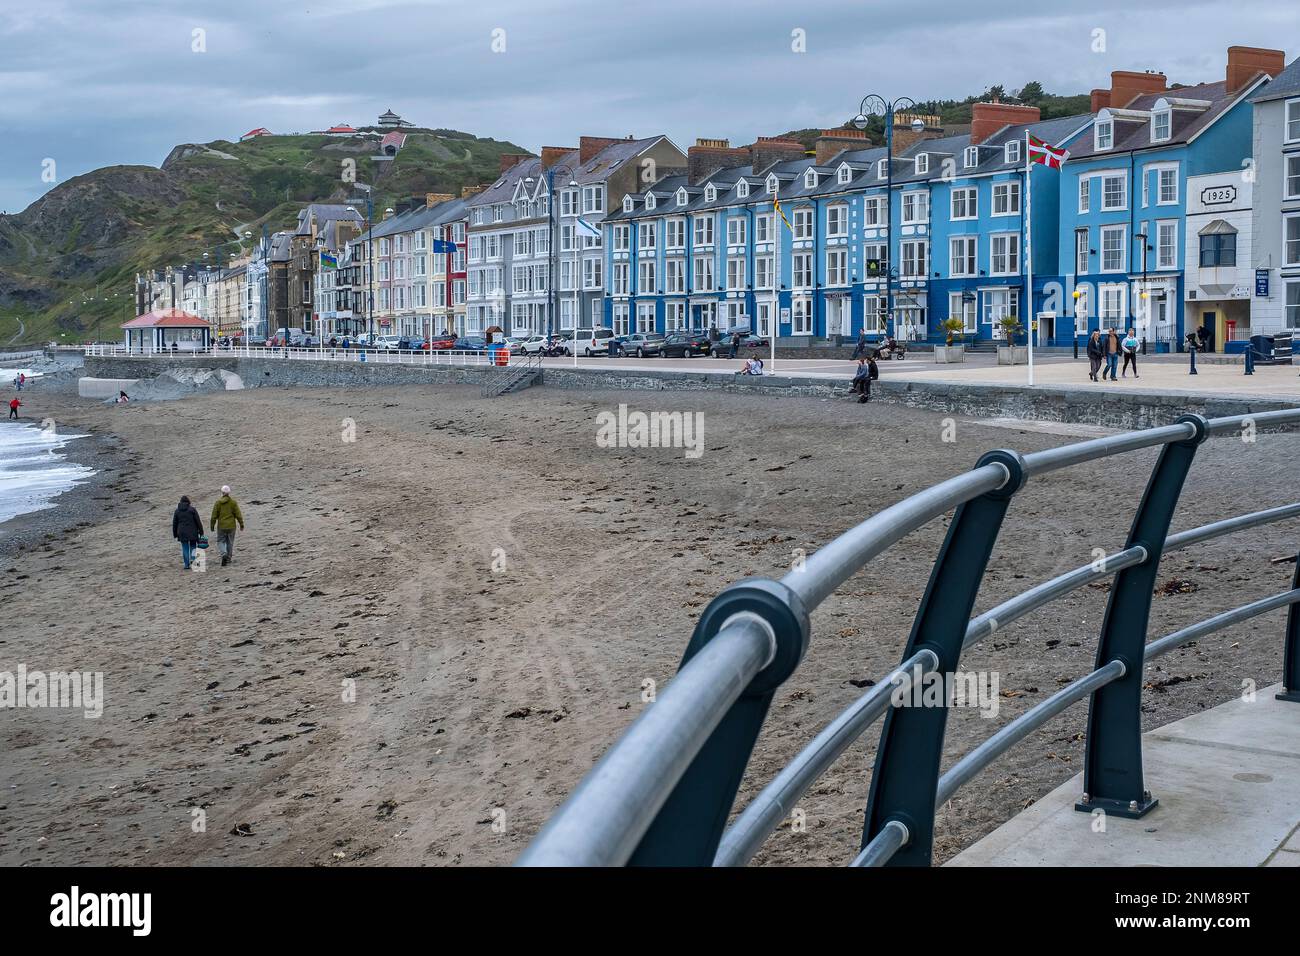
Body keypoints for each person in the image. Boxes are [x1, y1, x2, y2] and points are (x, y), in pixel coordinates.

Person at [210, 485, 245, 567]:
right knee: (230, 542)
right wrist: (241, 524)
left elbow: (214, 516)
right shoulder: (233, 503)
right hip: (231, 526)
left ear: (222, 492)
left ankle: (223, 553)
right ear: (229, 493)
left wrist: (212, 525)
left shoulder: (218, 503)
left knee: (220, 541)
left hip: (221, 526)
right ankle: (228, 558)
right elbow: (238, 514)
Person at [172, 495, 204, 570]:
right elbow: (198, 521)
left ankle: (186, 565)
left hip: (182, 532)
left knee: (185, 548)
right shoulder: (192, 510)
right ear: (188, 501)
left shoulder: (177, 511)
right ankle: (192, 559)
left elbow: (174, 523)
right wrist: (201, 531)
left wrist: (175, 533)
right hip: (193, 531)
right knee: (193, 546)